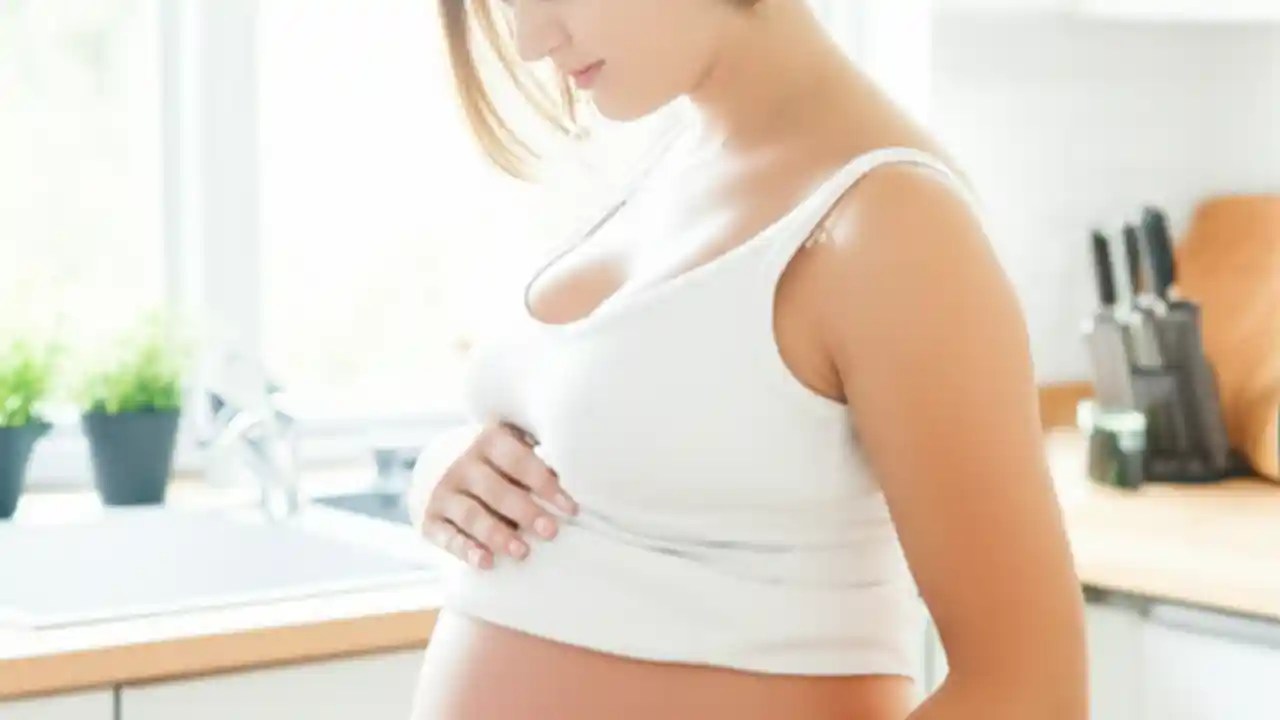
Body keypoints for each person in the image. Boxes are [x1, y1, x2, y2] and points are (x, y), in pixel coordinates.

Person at [406, 1, 1088, 718]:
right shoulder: (661, 166)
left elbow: (1031, 693)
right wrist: (448, 475)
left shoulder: (891, 219)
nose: (530, 39)